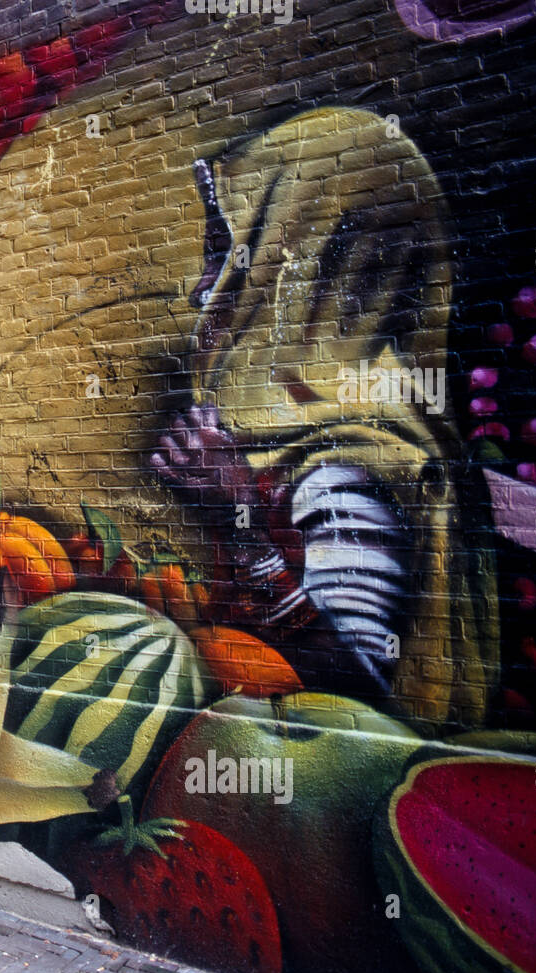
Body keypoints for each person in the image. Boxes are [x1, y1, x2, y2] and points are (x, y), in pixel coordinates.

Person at [150, 108, 498, 731]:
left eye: (229, 254)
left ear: (310, 268)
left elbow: (355, 709)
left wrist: (244, 527)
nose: (204, 289)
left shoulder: (348, 465)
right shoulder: (324, 418)